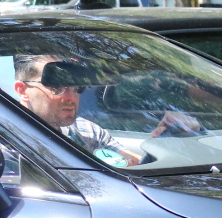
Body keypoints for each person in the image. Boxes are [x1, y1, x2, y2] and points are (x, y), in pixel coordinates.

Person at [13, 54, 199, 167]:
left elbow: (136, 164)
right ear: (22, 91)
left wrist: (167, 137)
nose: (71, 97)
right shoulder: (8, 145)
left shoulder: (87, 132)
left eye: (76, 87)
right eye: (57, 88)